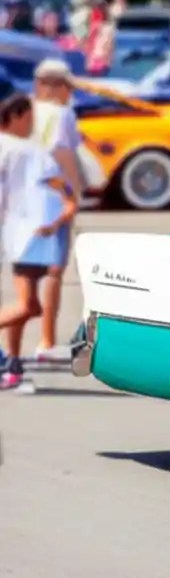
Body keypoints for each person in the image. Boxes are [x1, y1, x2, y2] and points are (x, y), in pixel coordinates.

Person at [0, 86, 79, 390]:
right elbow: (65, 191)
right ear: (17, 116)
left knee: (27, 303)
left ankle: (13, 364)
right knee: (28, 305)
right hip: (26, 237)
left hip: (22, 237)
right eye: (29, 118)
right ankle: (12, 363)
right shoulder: (30, 152)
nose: (32, 125)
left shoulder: (22, 150)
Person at [29, 60, 83, 360]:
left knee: (25, 275)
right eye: (67, 86)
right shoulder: (61, 115)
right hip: (53, 198)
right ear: (55, 85)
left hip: (22, 200)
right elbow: (65, 155)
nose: (70, 93)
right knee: (52, 272)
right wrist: (75, 195)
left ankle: (11, 350)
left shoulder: (23, 110)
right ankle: (46, 342)